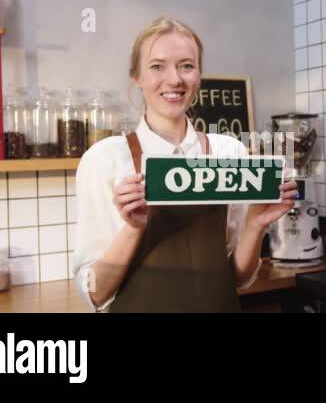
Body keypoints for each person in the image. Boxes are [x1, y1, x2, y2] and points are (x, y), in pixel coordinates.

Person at [73, 17, 298, 313]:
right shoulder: (105, 160)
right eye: (157, 66)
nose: (174, 79)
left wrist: (255, 225)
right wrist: (133, 227)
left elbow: (238, 278)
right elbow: (95, 294)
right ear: (136, 77)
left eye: (186, 65)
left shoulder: (229, 153)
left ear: (198, 75)